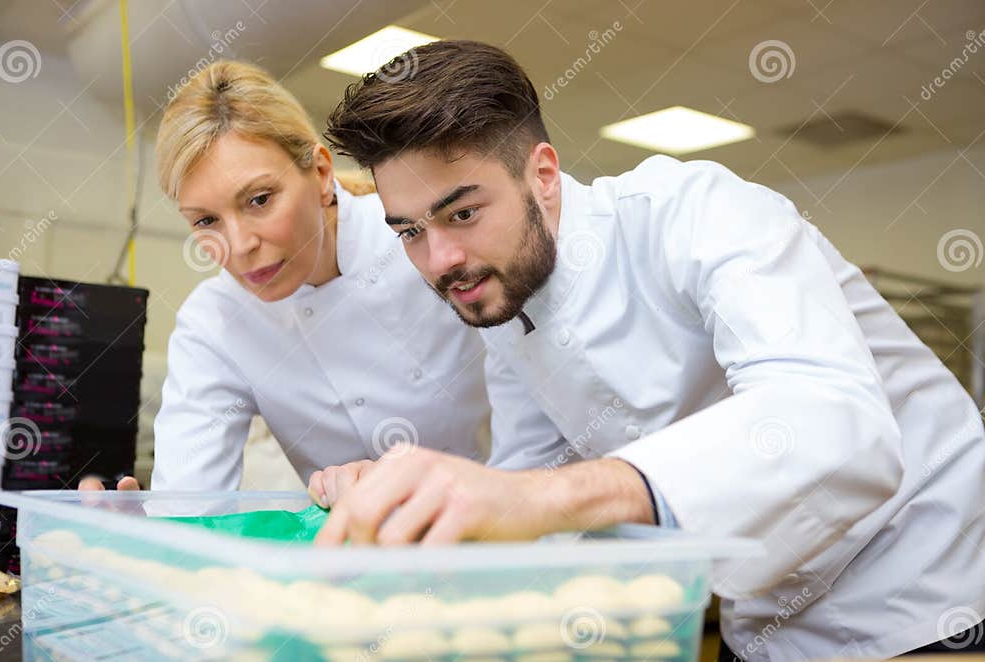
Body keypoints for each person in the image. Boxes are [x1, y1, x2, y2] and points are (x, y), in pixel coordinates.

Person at [315, 40, 985, 660]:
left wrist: (547, 498)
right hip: (763, 618)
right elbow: (530, 482)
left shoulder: (697, 212)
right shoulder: (507, 308)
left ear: (542, 174)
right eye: (409, 232)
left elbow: (833, 423)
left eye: (462, 213)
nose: (441, 261)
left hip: (924, 594)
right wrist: (411, 508)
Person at [79, 59, 490, 493]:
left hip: (510, 523)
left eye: (259, 200)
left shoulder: (422, 240)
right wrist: (133, 526)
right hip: (350, 536)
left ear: (321, 174)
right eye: (206, 221)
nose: (239, 246)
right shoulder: (215, 321)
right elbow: (188, 499)